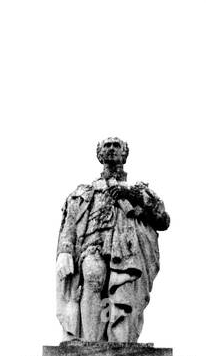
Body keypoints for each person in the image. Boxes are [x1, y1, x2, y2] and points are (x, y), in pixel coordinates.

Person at [56, 137, 170, 343]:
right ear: (99, 154)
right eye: (106, 146)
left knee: (122, 292)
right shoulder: (85, 191)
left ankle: (119, 342)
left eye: (116, 146)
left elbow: (163, 219)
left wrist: (132, 195)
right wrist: (64, 250)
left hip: (126, 250)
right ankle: (91, 342)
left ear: (124, 153)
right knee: (93, 277)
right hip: (93, 245)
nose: (111, 149)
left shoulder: (138, 191)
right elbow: (70, 222)